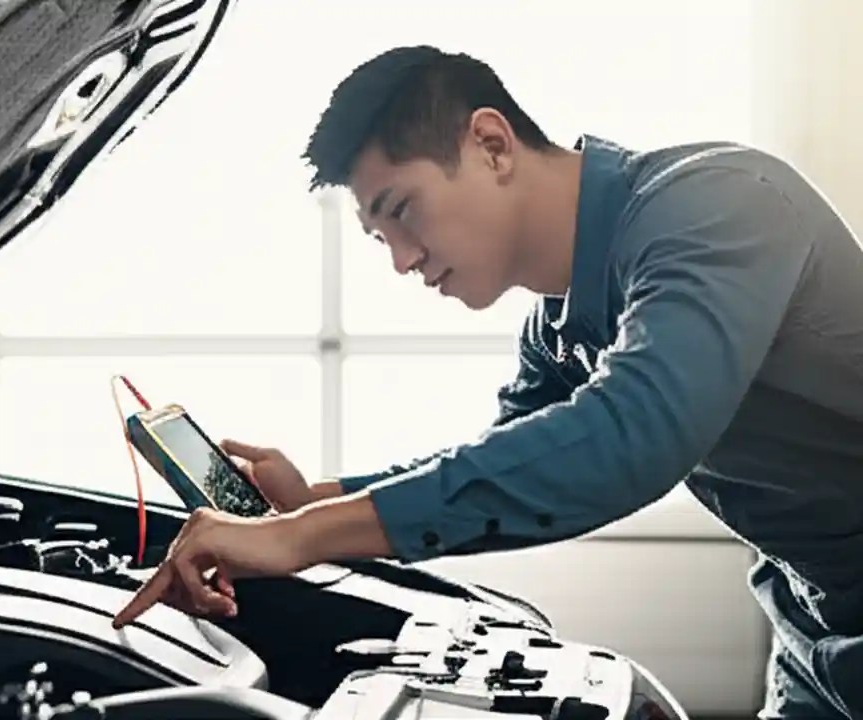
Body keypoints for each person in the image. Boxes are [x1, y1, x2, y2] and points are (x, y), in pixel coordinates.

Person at [111, 45, 863, 719]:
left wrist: (304, 538)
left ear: (491, 144)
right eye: (380, 239)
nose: (402, 260)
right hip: (812, 633)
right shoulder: (559, 327)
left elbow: (628, 439)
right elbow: (503, 462)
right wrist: (318, 500)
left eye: (402, 211)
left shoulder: (719, 204)